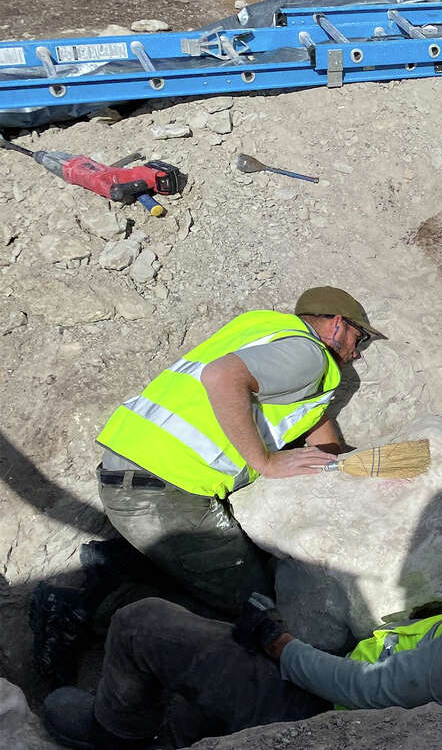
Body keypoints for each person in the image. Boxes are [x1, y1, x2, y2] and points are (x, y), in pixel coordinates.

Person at [30, 287, 382, 682]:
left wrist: (344, 465)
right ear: (337, 325)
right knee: (252, 609)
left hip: (138, 469)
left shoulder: (266, 332)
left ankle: (121, 564)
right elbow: (223, 377)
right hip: (163, 488)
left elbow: (312, 422)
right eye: (360, 338)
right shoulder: (309, 356)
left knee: (229, 562)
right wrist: (265, 462)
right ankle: (78, 610)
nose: (358, 353)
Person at [40, 537, 442, 750]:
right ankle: (181, 722)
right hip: (340, 699)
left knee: (145, 621)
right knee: (202, 682)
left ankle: (116, 733)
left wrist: (278, 642)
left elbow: (371, 691)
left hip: (316, 708)